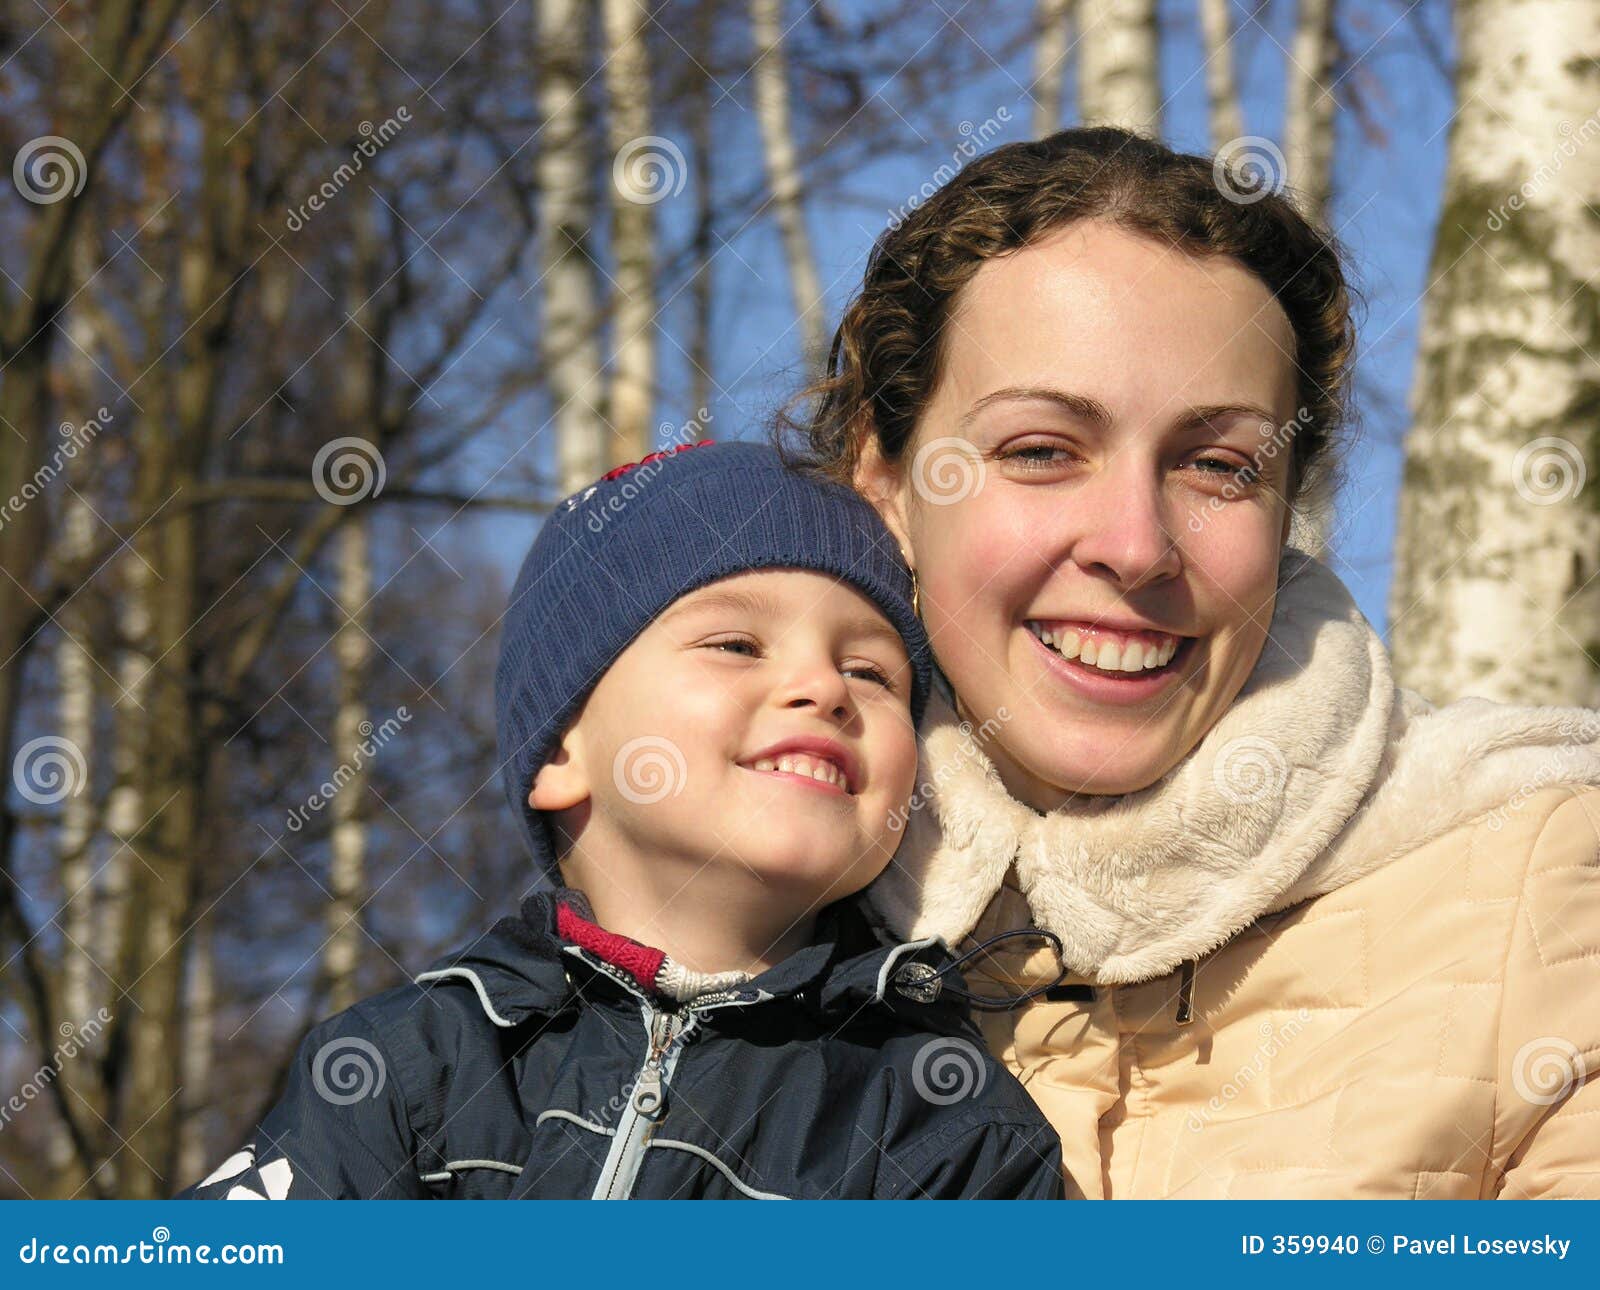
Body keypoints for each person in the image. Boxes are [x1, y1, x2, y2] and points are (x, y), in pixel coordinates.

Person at [790, 127, 1600, 1198]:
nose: (1133, 543)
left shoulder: (1536, 885)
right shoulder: (747, 906)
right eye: (1039, 451)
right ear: (885, 485)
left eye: (1217, 465)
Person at [179, 440, 1064, 1200]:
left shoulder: (942, 1123)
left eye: (873, 674)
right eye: (736, 645)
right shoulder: (404, 1068)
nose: (825, 688)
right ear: (562, 751)